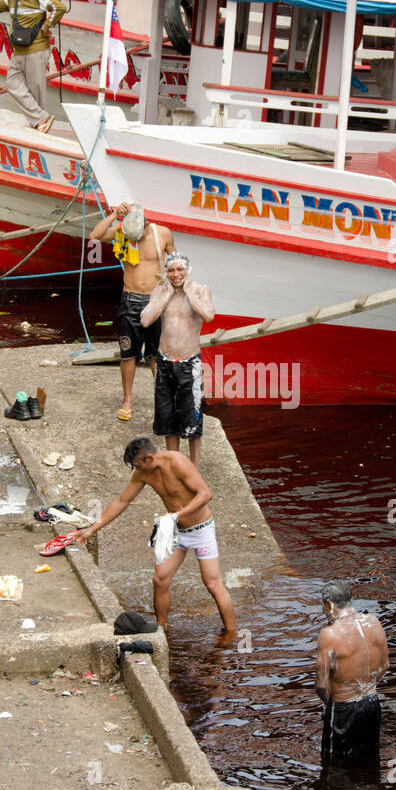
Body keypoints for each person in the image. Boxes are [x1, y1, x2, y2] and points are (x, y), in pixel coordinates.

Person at [76, 436, 235, 632]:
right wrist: (91, 529)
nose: (137, 470)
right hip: (175, 531)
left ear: (149, 459)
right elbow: (121, 501)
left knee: (212, 583)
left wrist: (176, 515)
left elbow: (205, 494)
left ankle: (230, 634)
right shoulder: (143, 473)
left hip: (200, 529)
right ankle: (161, 630)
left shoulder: (177, 462)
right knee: (160, 579)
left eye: (138, 465)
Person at [88, 202, 174, 422]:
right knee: (128, 354)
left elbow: (176, 263)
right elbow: (94, 237)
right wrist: (115, 215)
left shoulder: (162, 234)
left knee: (157, 354)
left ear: (146, 223)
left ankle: (163, 399)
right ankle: (127, 400)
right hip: (131, 299)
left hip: (155, 300)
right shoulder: (121, 233)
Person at [139, 252, 213, 466]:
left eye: (180, 269)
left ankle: (195, 469)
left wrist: (189, 293)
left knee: (193, 419)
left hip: (190, 362)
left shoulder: (200, 290)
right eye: (171, 270)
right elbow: (145, 320)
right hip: (164, 361)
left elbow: (208, 315)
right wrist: (167, 294)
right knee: (167, 416)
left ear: (188, 270)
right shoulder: (160, 291)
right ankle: (176, 465)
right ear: (165, 272)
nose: (176, 274)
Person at [0, 0, 65, 133]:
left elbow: (59, 8)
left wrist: (47, 26)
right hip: (19, 50)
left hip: (36, 49)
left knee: (36, 92)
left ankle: (39, 124)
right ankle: (40, 119)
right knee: (12, 83)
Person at [316, 581, 388, 765]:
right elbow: (384, 666)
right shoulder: (374, 622)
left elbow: (322, 685)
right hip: (372, 704)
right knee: (369, 760)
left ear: (329, 604)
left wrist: (329, 705)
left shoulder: (329, 634)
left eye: (324, 607)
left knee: (334, 764)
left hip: (343, 709)